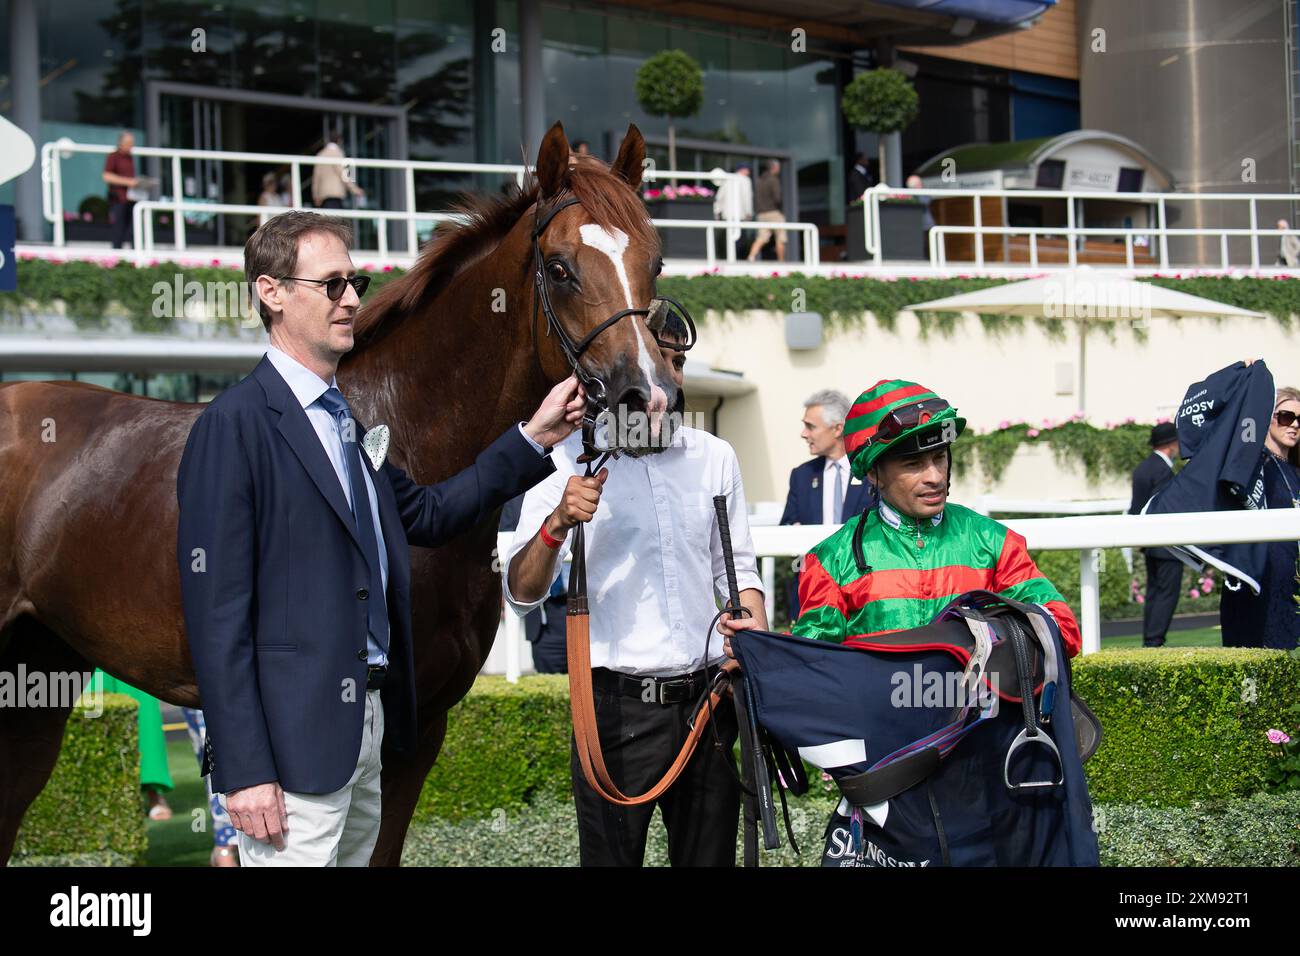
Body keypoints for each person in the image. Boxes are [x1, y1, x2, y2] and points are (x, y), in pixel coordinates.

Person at [176, 210, 583, 867]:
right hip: (289, 755)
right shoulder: (234, 427)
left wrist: (533, 437)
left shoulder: (345, 421)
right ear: (271, 293)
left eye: (355, 281)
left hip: (367, 730)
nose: (352, 299)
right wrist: (245, 767)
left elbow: (426, 512)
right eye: (331, 285)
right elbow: (216, 618)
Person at [503, 312, 766, 867]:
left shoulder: (714, 456)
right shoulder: (561, 459)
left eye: (674, 363)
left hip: (707, 704)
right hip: (614, 711)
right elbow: (522, 592)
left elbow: (737, 567)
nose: (664, 383)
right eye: (649, 364)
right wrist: (557, 524)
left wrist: (755, 627)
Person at [724, 378, 1081, 659]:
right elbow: (812, 664)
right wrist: (762, 648)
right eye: (914, 464)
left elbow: (1063, 629)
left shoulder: (994, 541)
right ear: (874, 475)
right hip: (886, 746)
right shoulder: (832, 560)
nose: (935, 476)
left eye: (939, 458)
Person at [780, 389, 875, 621]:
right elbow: (787, 525)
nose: (804, 434)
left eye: (810, 426)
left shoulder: (871, 472)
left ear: (838, 428)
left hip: (862, 594)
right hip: (811, 594)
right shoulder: (801, 476)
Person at [1220, 386, 1300, 649]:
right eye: (1286, 416)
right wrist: (1248, 384)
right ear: (1268, 417)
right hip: (1257, 587)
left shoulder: (1294, 470)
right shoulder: (1251, 466)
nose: (1295, 425)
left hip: (1291, 586)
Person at [1129, 421, 1183, 647]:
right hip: (1165, 544)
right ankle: (1155, 639)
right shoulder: (1163, 471)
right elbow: (1163, 507)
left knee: (1153, 593)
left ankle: (1150, 638)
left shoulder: (1143, 467)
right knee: (1166, 594)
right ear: (1171, 444)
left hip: (1148, 542)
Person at [102, 131, 139, 249]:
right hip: (118, 199)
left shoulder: (130, 158)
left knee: (133, 230)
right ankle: (116, 259)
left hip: (131, 199)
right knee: (118, 231)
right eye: (129, 143)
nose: (131, 146)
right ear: (121, 143)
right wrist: (129, 182)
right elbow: (106, 176)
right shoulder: (113, 157)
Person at [311, 130, 364, 210]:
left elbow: (316, 176)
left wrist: (316, 195)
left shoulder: (321, 154)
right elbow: (343, 174)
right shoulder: (338, 154)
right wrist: (355, 190)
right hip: (335, 194)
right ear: (339, 141)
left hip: (323, 195)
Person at [748, 159, 786, 262]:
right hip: (773, 212)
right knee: (780, 237)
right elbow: (777, 197)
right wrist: (780, 207)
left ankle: (751, 256)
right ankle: (781, 261)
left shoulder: (759, 181)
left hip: (761, 213)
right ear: (774, 168)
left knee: (762, 237)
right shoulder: (773, 180)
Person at [712, 164, 753, 260]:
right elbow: (747, 198)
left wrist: (717, 211)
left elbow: (719, 198)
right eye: (747, 169)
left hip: (727, 214)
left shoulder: (727, 179)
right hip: (740, 215)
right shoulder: (745, 180)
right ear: (742, 170)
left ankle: (727, 257)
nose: (749, 172)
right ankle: (735, 258)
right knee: (739, 238)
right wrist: (749, 212)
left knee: (728, 237)